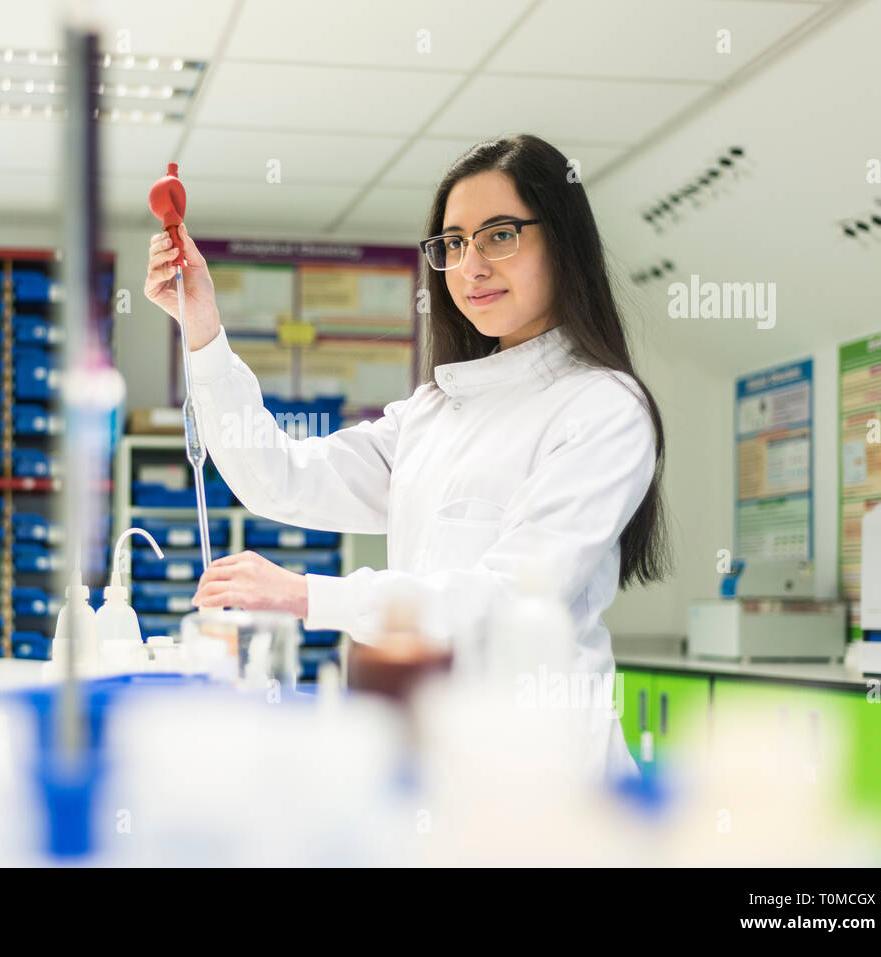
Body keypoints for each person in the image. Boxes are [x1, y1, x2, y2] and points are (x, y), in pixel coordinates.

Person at [143, 134, 669, 781]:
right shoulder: (435, 410)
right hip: (435, 756)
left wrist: (307, 594)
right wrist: (202, 328)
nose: (470, 265)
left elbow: (506, 599)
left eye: (499, 235)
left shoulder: (604, 409)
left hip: (547, 775)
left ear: (562, 240)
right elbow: (280, 479)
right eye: (452, 244)